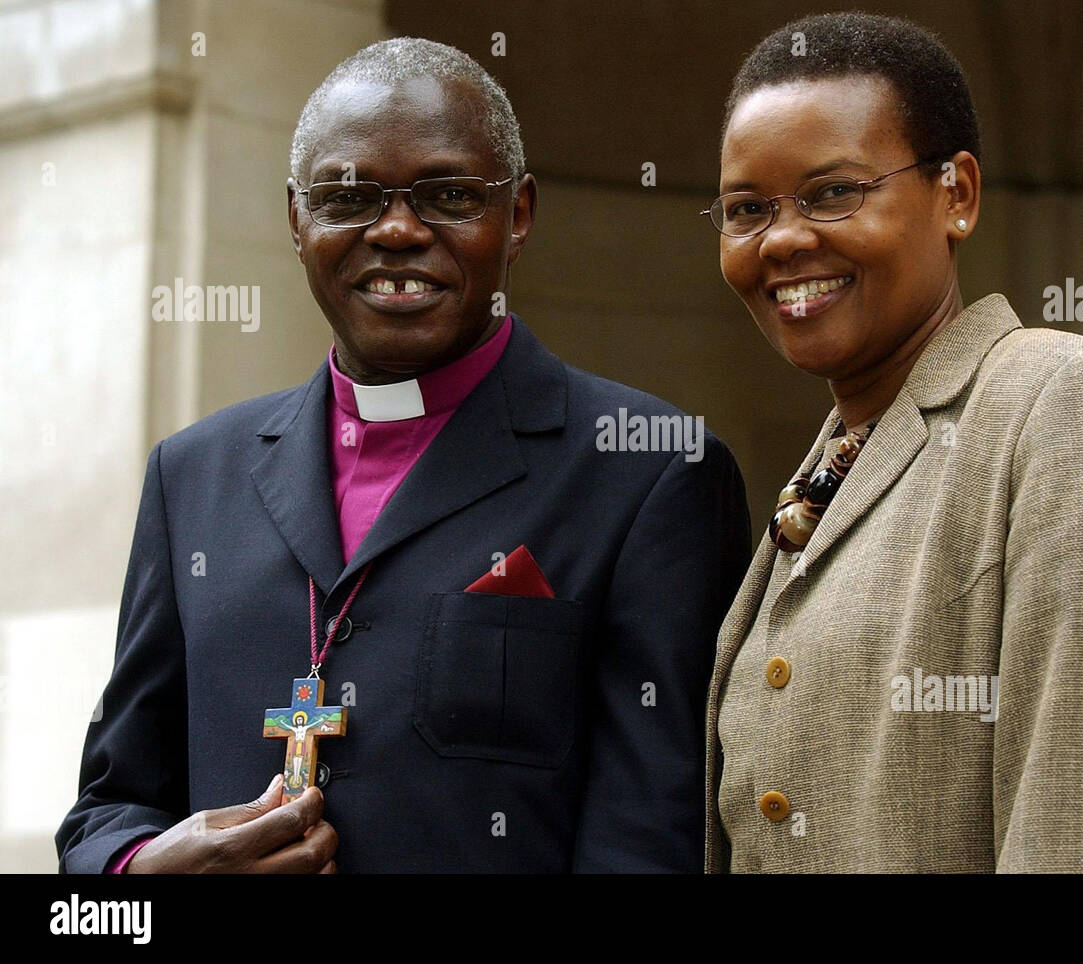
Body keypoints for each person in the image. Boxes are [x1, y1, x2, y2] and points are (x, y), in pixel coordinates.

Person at [56, 37, 751, 874]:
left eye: (448, 194)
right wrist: (145, 871)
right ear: (295, 219)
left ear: (519, 215)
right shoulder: (191, 476)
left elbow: (650, 845)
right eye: (347, 196)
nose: (395, 229)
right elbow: (103, 812)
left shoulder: (651, 472)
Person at [702, 13, 1083, 873]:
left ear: (957, 196)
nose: (783, 239)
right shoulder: (835, 463)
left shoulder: (1069, 404)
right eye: (748, 210)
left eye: (833, 193)